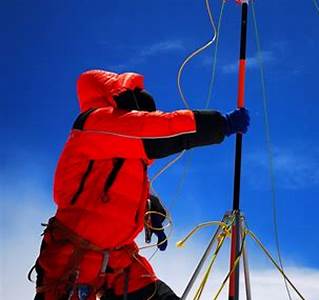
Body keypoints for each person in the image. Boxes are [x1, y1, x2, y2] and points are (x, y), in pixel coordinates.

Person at [32, 69, 249, 300]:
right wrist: (220, 124)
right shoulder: (93, 124)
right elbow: (155, 132)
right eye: (144, 115)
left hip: (118, 262)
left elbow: (113, 187)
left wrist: (149, 207)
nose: (147, 118)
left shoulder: (130, 152)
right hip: (72, 260)